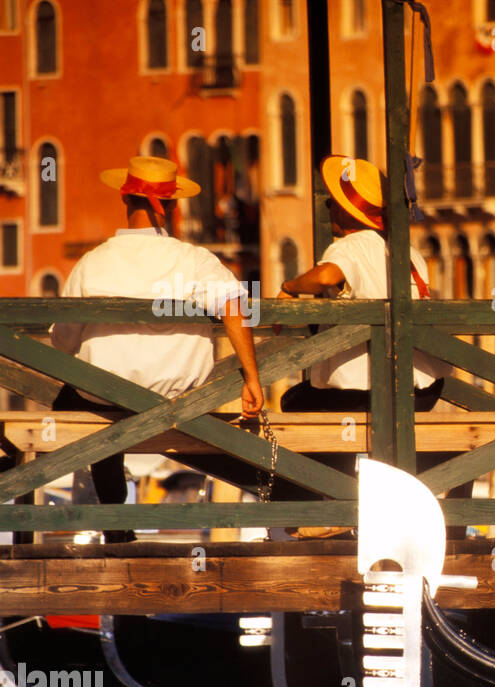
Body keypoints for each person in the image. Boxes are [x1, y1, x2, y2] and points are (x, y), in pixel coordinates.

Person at [52, 155, 263, 542]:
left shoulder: (91, 263)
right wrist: (251, 377)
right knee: (109, 407)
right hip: (180, 402)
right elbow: (236, 305)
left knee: (79, 402)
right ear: (168, 207)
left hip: (105, 400)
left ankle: (115, 520)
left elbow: (63, 341)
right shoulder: (195, 261)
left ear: (125, 201)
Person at [277, 155, 448, 412]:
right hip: (424, 389)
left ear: (346, 212)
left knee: (292, 403)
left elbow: (326, 277)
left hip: (369, 391)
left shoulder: (350, 247)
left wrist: (289, 288)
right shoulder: (410, 252)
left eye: (332, 202)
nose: (328, 206)